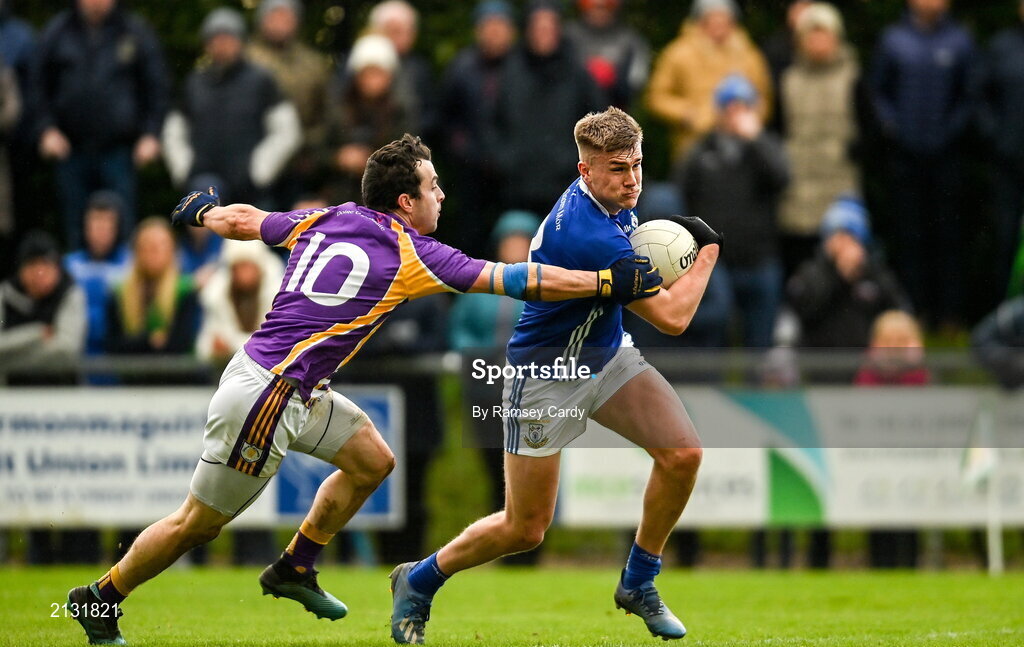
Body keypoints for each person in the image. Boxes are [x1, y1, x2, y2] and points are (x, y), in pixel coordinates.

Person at [66, 133, 662, 645]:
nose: (442, 195)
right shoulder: (413, 253)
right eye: (433, 187)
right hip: (269, 397)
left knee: (373, 460)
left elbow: (246, 221)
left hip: (286, 383)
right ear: (406, 201)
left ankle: (295, 566)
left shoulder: (331, 217)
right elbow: (520, 280)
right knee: (197, 523)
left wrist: (203, 214)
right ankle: (100, 597)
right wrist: (606, 282)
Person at [389, 108, 722, 645]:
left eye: (637, 165)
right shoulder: (591, 235)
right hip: (546, 374)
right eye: (618, 169)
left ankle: (639, 582)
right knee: (525, 528)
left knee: (682, 454)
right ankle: (419, 579)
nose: (632, 180)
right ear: (585, 170)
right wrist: (706, 253)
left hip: (606, 356)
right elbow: (673, 318)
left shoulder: (611, 202)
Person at [868, 0, 976, 330]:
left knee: (949, 236)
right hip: (904, 158)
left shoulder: (959, 40)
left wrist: (949, 132)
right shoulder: (894, 39)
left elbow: (969, 96)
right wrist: (893, 128)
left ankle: (950, 316)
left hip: (947, 157)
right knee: (908, 237)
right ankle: (912, 312)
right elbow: (877, 93)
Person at [33, 0, 168, 248]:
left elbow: (156, 86)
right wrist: (46, 129)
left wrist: (151, 133)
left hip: (119, 150)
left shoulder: (134, 32)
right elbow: (37, 86)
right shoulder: (57, 33)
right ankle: (79, 273)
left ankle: (122, 273)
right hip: (70, 149)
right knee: (75, 226)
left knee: (122, 225)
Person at [680, 75, 790, 348]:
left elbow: (782, 179)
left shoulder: (765, 147)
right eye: (729, 107)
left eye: (743, 107)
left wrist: (756, 140)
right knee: (712, 338)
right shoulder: (701, 150)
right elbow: (681, 197)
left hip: (760, 259)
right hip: (715, 264)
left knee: (760, 343)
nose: (735, 114)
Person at [162, 7, 301, 207]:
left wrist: (260, 170)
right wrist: (184, 169)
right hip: (204, 184)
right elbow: (174, 130)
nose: (222, 44)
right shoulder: (194, 83)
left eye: (228, 38)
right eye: (215, 38)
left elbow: (287, 130)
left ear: (241, 41)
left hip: (251, 191)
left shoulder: (261, 81)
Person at [488, 0, 603, 217]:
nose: (544, 34)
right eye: (538, 27)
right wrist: (504, 159)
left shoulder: (577, 74)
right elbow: (490, 121)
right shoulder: (508, 71)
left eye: (549, 27)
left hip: (567, 187)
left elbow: (599, 125)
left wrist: (574, 161)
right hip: (515, 189)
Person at [437, 0, 517, 257]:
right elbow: (444, 118)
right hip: (470, 170)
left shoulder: (522, 66)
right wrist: (461, 148)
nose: (494, 33)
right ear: (477, 30)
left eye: (500, 26)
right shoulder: (461, 67)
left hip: (513, 171)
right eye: (488, 26)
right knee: (470, 235)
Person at [646, 0, 772, 161]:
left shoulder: (749, 56)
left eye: (724, 18)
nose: (718, 24)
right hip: (693, 143)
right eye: (712, 18)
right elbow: (656, 97)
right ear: (700, 21)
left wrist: (749, 117)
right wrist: (687, 113)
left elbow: (764, 97)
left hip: (740, 144)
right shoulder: (678, 54)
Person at [246, 0, 331, 204]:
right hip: (253, 157)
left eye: (286, 17)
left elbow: (326, 113)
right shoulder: (246, 59)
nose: (280, 23)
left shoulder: (313, 64)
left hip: (301, 162)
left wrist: (311, 146)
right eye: (275, 16)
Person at [322, 34, 411, 205]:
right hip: (338, 196)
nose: (372, 80)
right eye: (367, 73)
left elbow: (408, 160)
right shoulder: (338, 109)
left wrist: (371, 161)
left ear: (390, 76)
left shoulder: (399, 112)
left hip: (385, 200)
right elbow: (316, 153)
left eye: (378, 73)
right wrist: (339, 158)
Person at [979, 0, 1024, 297]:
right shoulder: (1001, 47)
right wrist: (997, 136)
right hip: (1009, 163)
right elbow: (978, 96)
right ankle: (1004, 312)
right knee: (1006, 239)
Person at [105, 217, 200, 358]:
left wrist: (138, 343)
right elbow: (113, 345)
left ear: (172, 251)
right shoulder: (119, 292)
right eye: (148, 246)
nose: (154, 252)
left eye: (161, 246)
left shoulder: (185, 291)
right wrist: (150, 341)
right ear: (137, 251)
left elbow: (181, 344)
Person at [196, 239, 285, 368]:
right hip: (227, 370)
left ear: (259, 268)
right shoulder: (217, 296)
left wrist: (230, 344)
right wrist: (212, 347)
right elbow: (204, 344)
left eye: (248, 266)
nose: (244, 273)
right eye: (239, 267)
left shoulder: (277, 297)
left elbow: (276, 343)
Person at [63, 190, 132, 356]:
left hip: (119, 353)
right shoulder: (68, 265)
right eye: (95, 221)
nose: (101, 229)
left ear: (119, 226)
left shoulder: (132, 264)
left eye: (107, 221)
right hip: (76, 353)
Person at [564, 0, 651, 109]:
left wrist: (616, 79)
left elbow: (637, 81)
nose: (599, 9)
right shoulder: (566, 37)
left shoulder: (631, 41)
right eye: (593, 6)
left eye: (606, 6)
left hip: (614, 111)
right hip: (570, 110)